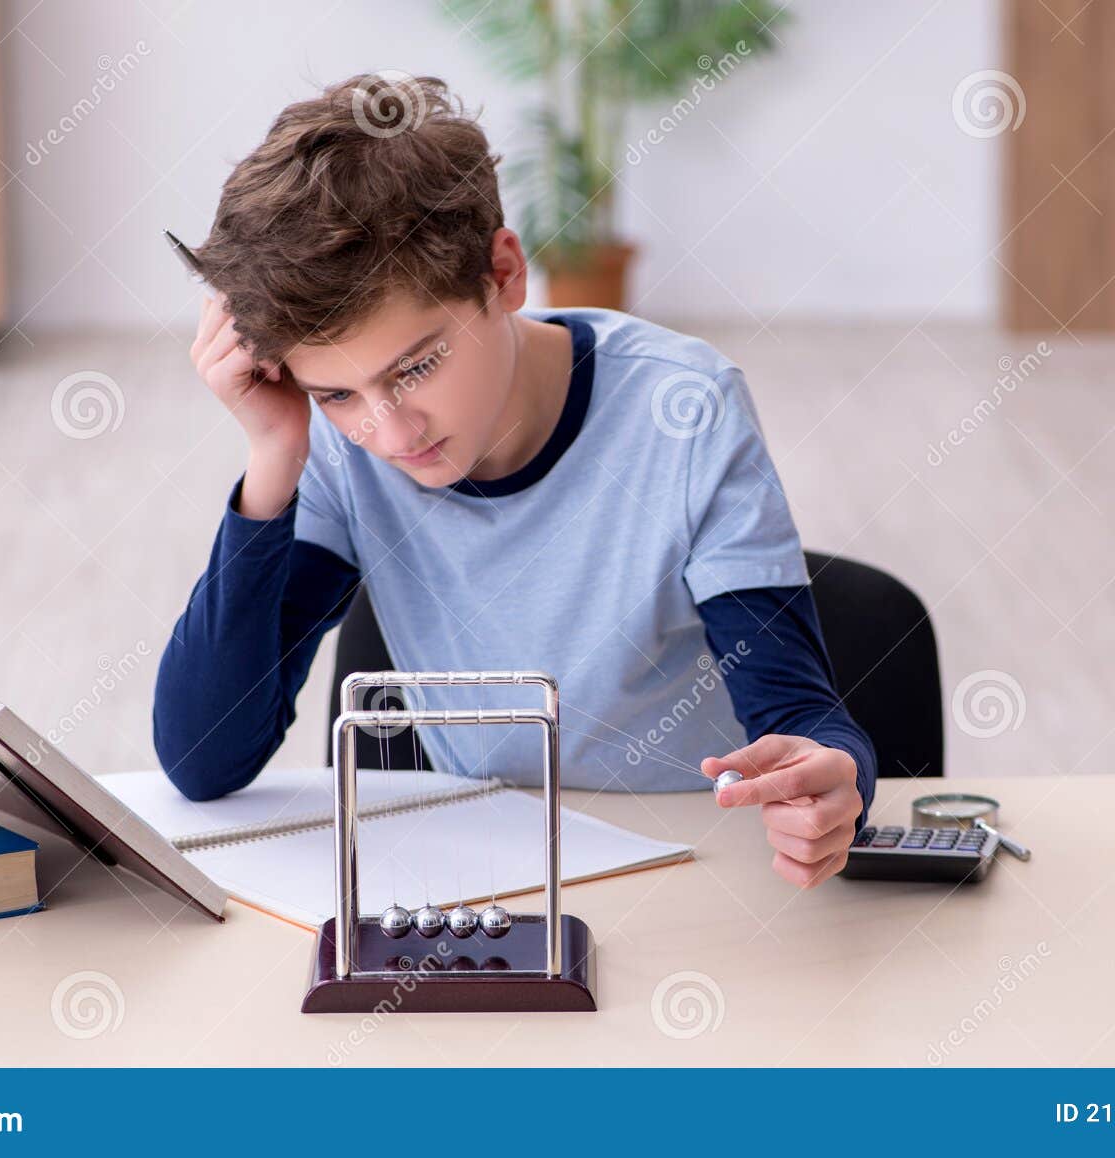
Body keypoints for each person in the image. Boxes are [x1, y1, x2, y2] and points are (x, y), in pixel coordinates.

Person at [153, 73, 876, 890]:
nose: (390, 435)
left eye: (417, 365)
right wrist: (276, 453)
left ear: (502, 273)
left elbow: (801, 716)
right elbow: (203, 759)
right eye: (336, 393)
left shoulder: (684, 407)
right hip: (487, 876)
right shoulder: (336, 450)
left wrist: (830, 772)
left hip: (689, 860)